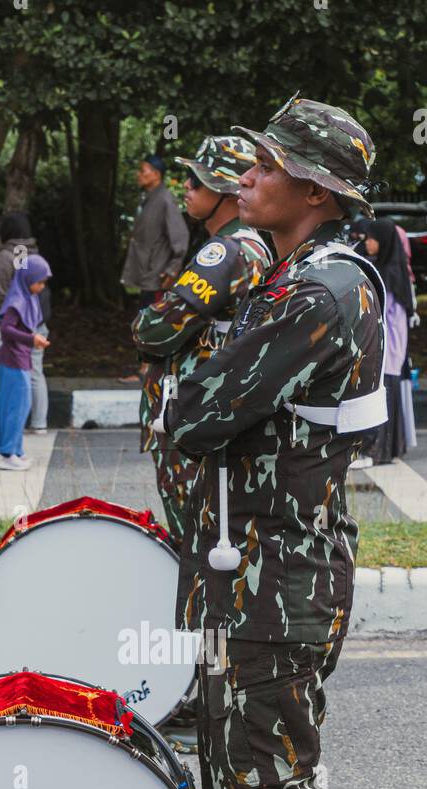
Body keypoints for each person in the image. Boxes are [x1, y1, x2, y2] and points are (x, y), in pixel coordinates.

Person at [158, 96, 386, 789]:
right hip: (244, 568)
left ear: (313, 192)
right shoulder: (292, 277)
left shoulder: (319, 293)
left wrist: (199, 355)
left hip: (276, 582)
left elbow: (201, 412)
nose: (247, 175)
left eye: (269, 167)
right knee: (228, 779)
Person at [132, 135, 271, 543]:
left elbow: (158, 327)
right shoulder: (254, 245)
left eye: (197, 182)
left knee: (196, 539)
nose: (186, 189)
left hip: (191, 415)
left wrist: (141, 328)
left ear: (226, 191)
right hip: (211, 412)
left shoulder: (227, 251)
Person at [348, 218, 416, 468]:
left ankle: (373, 452)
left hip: (388, 346)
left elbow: (385, 313)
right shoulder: (390, 269)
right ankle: (386, 450)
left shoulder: (389, 274)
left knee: (381, 396)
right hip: (392, 346)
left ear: (384, 241)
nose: (368, 243)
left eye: (372, 239)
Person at [119, 155, 189, 382]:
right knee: (144, 319)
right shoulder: (149, 198)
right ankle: (144, 369)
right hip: (147, 273)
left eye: (143, 170)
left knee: (152, 322)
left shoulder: (165, 200)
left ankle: (147, 372)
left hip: (158, 276)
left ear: (156, 174)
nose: (139, 175)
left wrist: (171, 271)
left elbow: (180, 238)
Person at [0, 211, 51, 433]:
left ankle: (9, 424)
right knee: (35, 373)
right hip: (36, 322)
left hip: (13, 325)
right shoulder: (33, 254)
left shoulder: (6, 256)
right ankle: (39, 423)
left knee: (8, 373)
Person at [0, 256, 51, 471]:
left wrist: (32, 339)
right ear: (27, 278)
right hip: (12, 360)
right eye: (40, 281)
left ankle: (14, 450)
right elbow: (6, 329)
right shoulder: (17, 301)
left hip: (20, 358)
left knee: (20, 405)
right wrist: (32, 339)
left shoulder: (27, 298)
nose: (42, 287)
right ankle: (6, 453)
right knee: (15, 407)